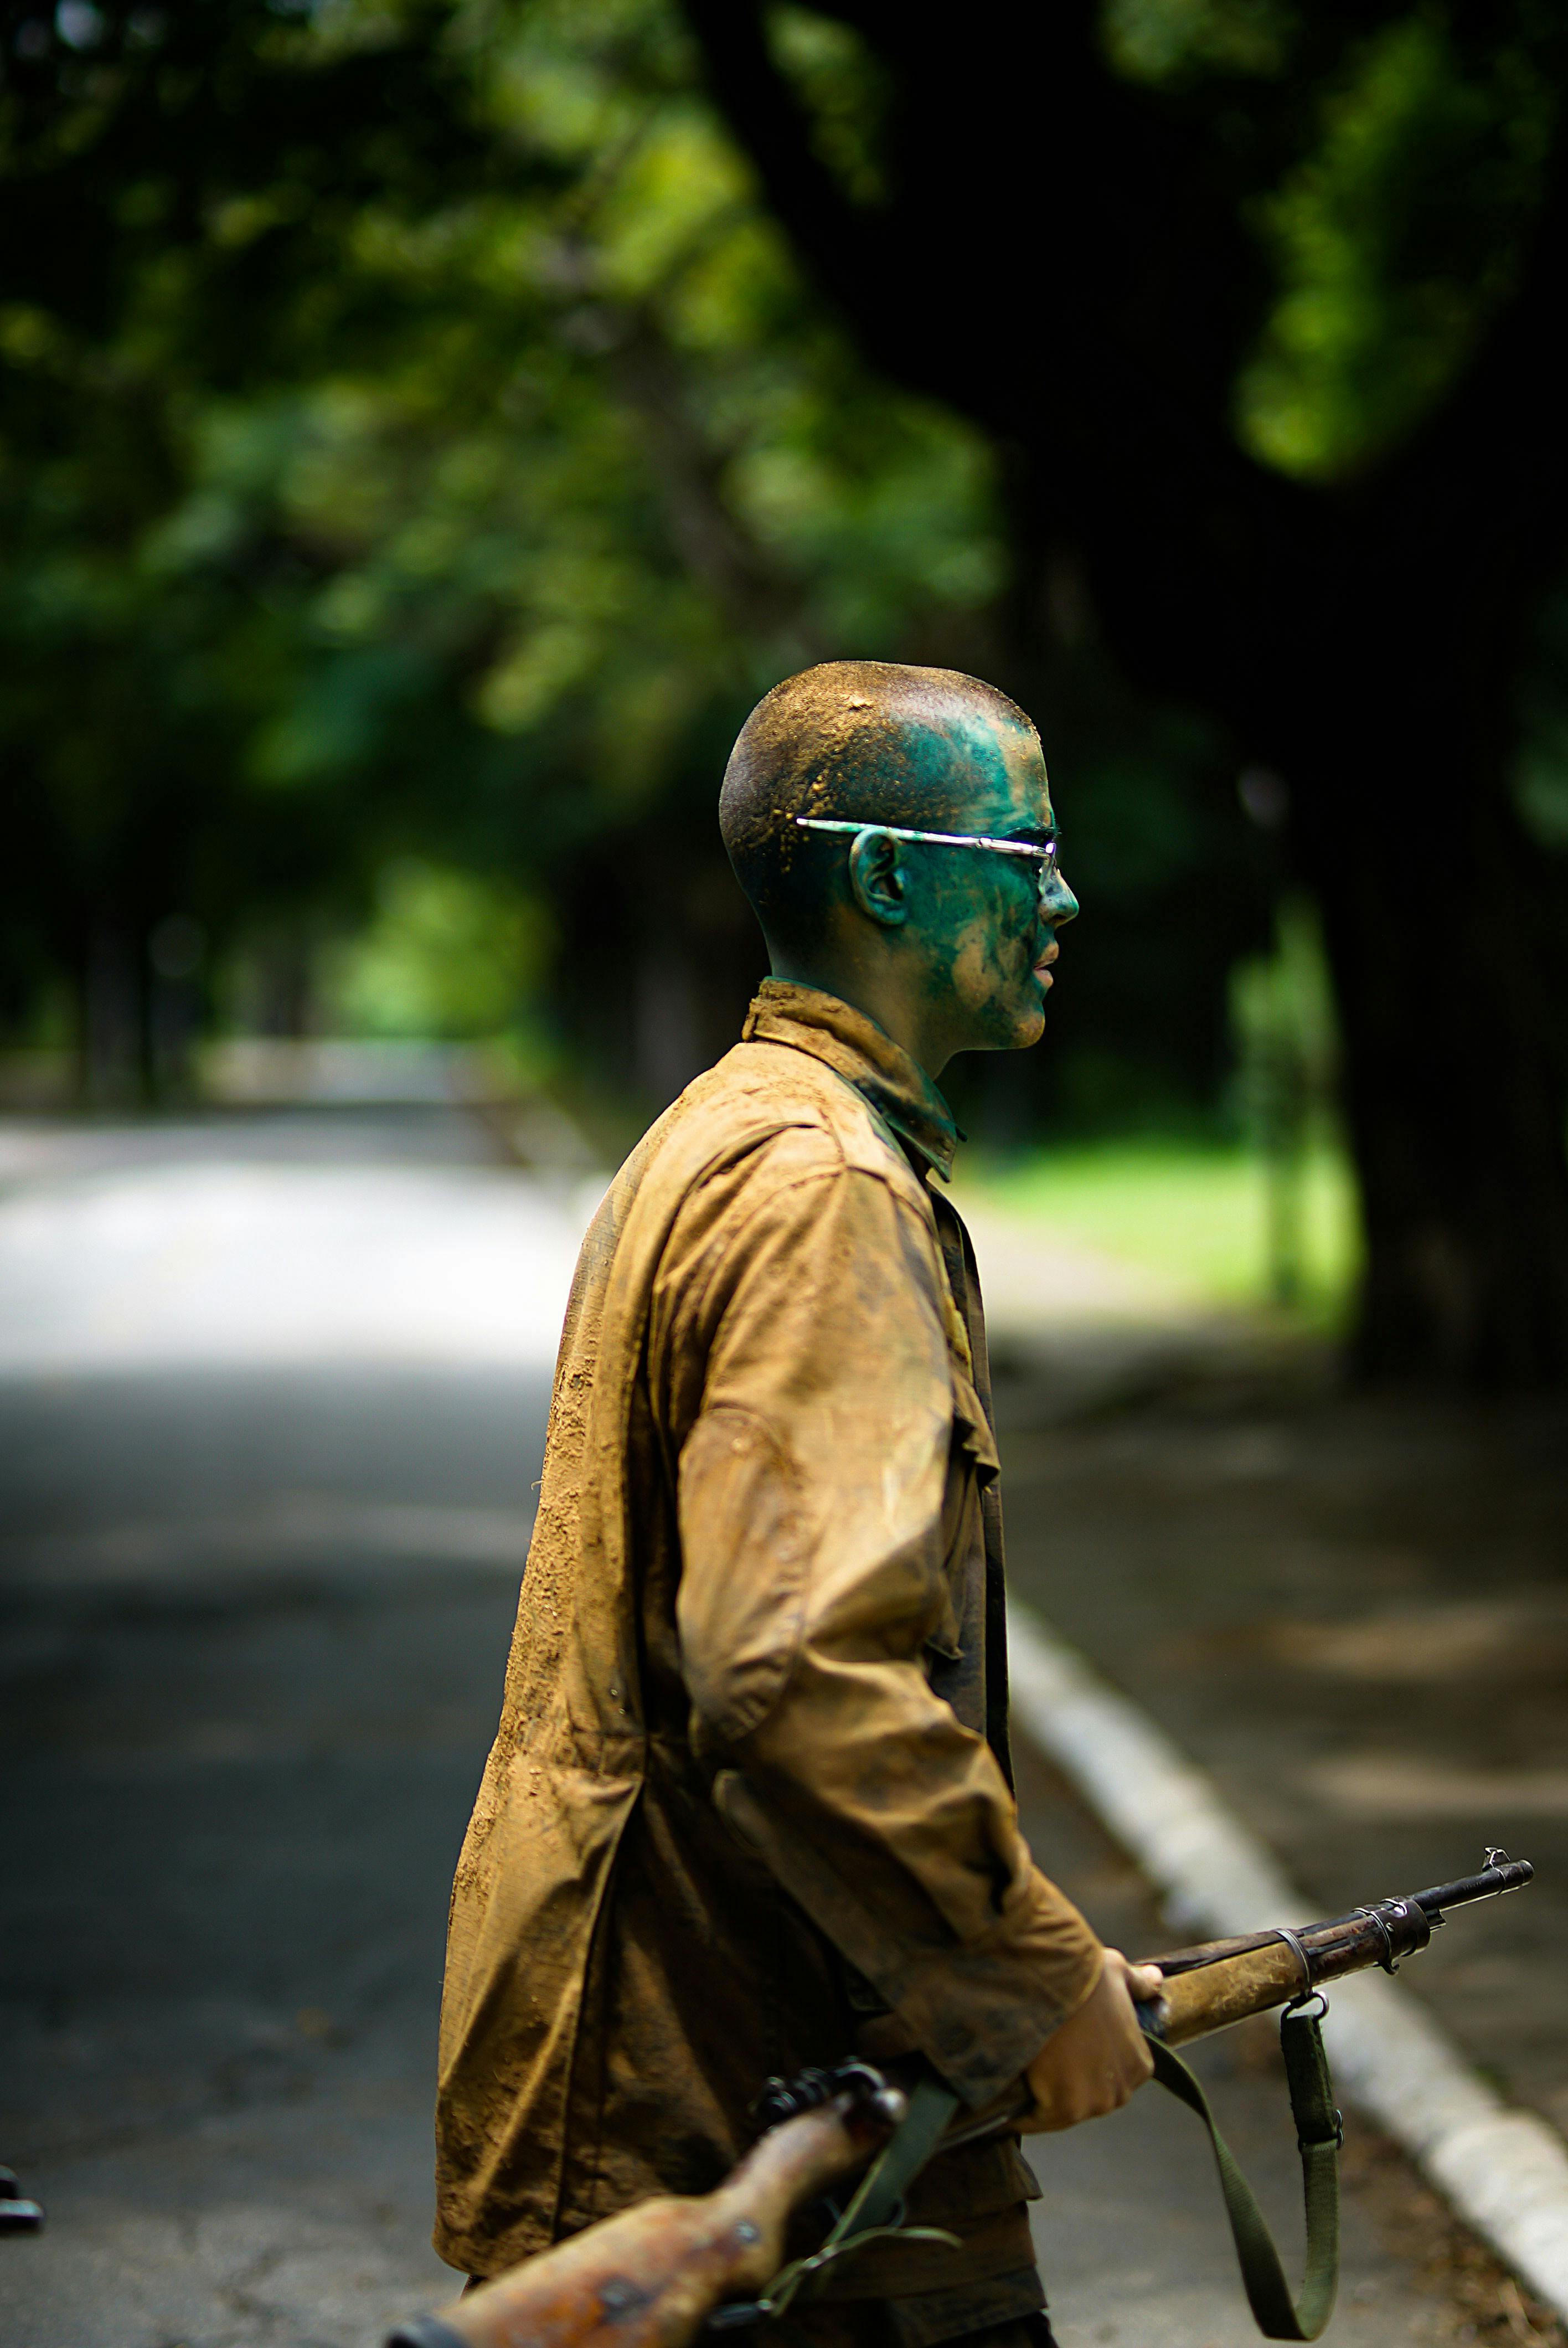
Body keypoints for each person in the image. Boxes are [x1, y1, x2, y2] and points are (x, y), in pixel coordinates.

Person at [434, 661, 1160, 2348]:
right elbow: (796, 1669)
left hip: (743, 2041)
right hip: (727, 2073)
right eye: (1026, 848)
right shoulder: (823, 1187)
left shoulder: (726, 1132)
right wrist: (1025, 1969)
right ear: (887, 876)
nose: (1064, 895)